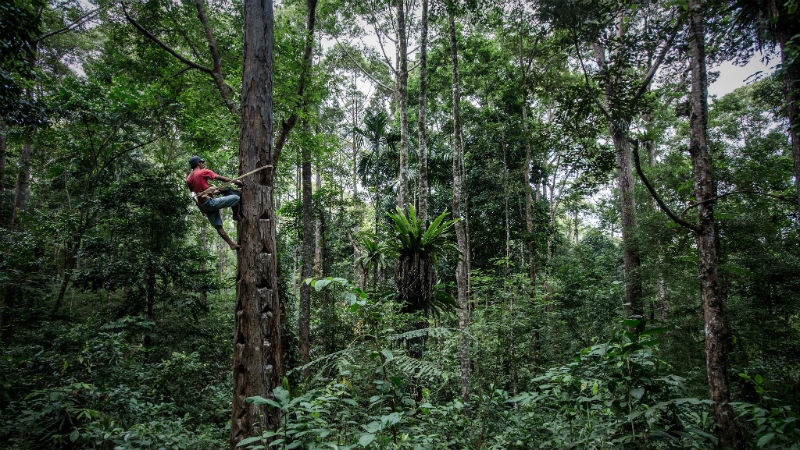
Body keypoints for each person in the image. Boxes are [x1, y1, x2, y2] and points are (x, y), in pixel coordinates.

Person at [186, 156, 243, 250]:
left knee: (218, 226)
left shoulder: (189, 178)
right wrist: (237, 182)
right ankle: (236, 215)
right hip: (210, 203)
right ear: (198, 163)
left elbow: (194, 194)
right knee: (236, 197)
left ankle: (232, 244)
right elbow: (220, 178)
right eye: (201, 162)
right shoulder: (203, 172)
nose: (202, 164)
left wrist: (200, 208)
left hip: (203, 206)